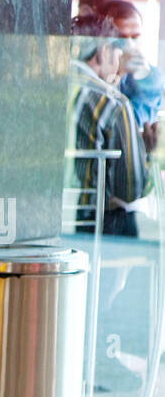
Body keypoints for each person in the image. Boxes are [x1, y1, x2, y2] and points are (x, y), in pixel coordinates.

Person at [69, 14, 150, 237]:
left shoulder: (51, 92)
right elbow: (130, 190)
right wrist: (149, 155)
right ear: (103, 51)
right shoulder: (113, 104)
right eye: (118, 50)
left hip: (58, 216)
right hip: (100, 225)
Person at [102, 0, 163, 143]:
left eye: (135, 37)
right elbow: (105, 121)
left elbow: (133, 123)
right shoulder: (98, 72)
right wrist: (117, 72)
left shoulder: (151, 77)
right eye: (121, 38)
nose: (129, 44)